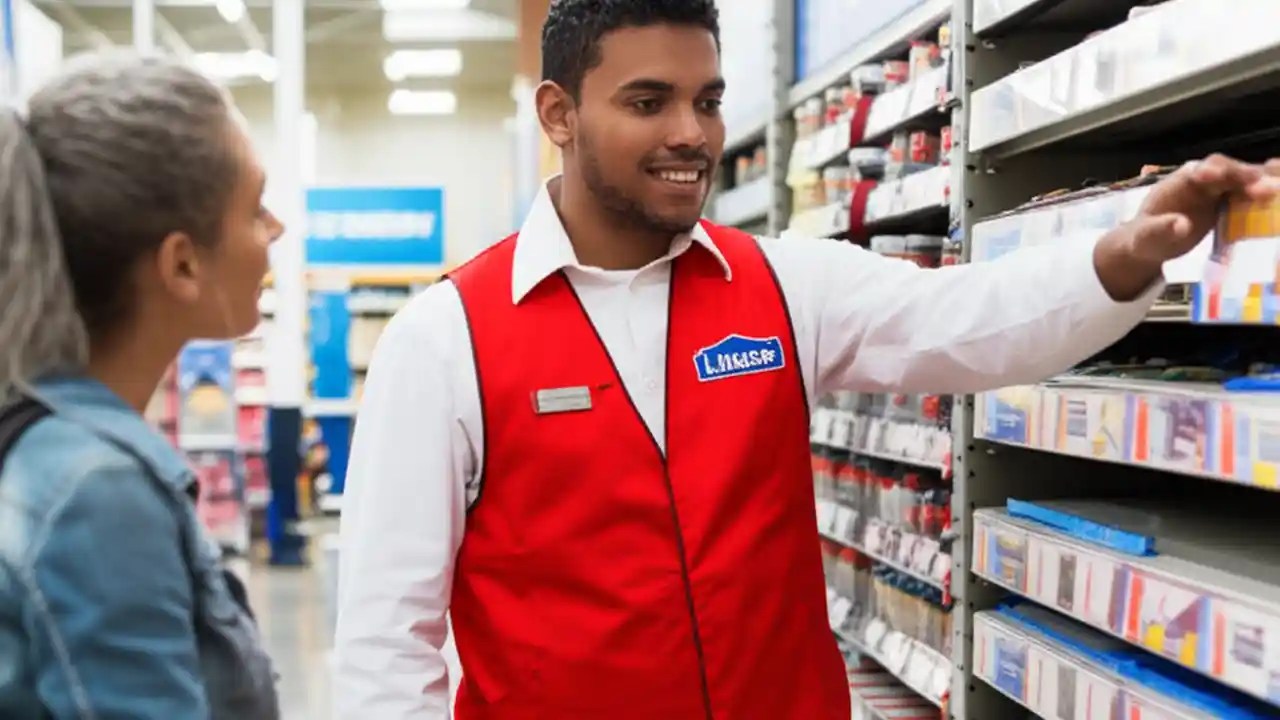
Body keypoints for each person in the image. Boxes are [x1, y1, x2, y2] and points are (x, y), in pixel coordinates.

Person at [333, 1, 1280, 717]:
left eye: (706, 102)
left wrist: (1130, 250)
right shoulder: (445, 339)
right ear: (558, 113)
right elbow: (386, 646)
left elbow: (973, 319)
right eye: (646, 102)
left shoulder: (782, 287)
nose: (690, 135)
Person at [0, 52, 283, 719]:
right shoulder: (97, 488)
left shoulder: (49, 445)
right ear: (182, 263)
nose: (275, 229)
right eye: (255, 208)